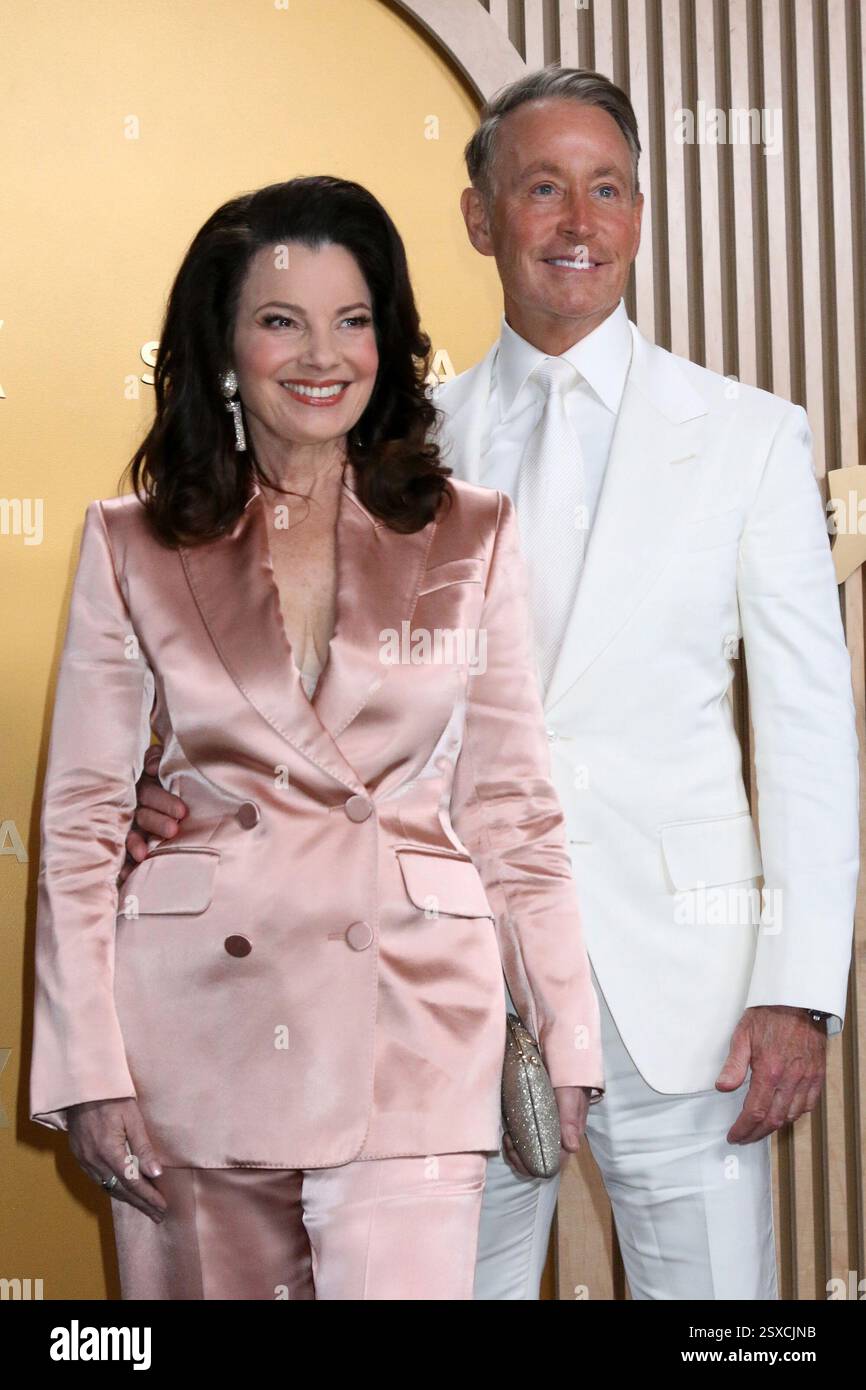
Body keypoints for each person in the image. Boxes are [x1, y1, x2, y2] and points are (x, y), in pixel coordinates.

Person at [133, 66, 860, 1303]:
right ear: (479, 218)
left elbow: (804, 730)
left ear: (637, 211)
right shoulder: (388, 444)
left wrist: (799, 991)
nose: (578, 223)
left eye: (607, 189)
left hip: (686, 1000)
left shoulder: (749, 437)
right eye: (541, 188)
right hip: (440, 987)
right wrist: (180, 798)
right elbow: (287, 683)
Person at [29, 174, 604, 1301]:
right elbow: (82, 822)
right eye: (281, 320)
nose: (322, 354)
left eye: (353, 319)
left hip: (413, 1024)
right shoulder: (130, 543)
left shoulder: (467, 534)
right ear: (225, 344)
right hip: (189, 1041)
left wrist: (564, 1028)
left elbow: (510, 807)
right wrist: (88, 1070)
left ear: (387, 339)